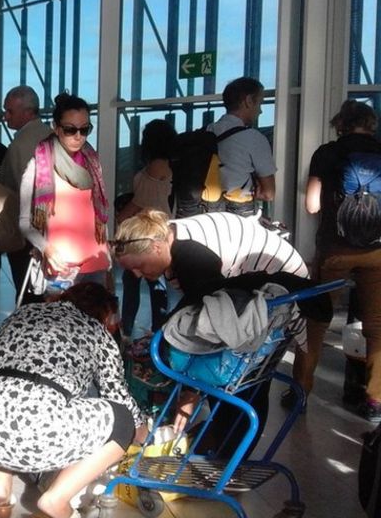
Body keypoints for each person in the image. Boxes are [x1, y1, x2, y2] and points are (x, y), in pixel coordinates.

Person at [0, 283, 145, 518]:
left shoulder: (24, 312)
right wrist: (139, 429)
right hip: (32, 425)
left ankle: (0, 493)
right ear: (104, 313)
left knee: (5, 393)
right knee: (121, 421)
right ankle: (57, 500)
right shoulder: (98, 333)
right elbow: (116, 395)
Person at [113, 209, 308, 457]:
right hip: (271, 292)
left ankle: (230, 459)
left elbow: (210, 329)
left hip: (279, 293)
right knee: (244, 381)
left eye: (139, 266)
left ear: (156, 247)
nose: (137, 275)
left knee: (240, 382)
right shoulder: (167, 239)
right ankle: (228, 455)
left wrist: (192, 389)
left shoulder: (192, 256)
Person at [298, 100, 381, 421]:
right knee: (376, 327)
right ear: (370, 123)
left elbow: (312, 205)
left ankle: (302, 390)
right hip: (377, 251)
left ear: (340, 123)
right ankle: (374, 400)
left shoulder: (327, 153)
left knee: (316, 323)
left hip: (335, 250)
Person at [19, 92, 111, 292]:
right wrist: (46, 249)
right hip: (60, 266)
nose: (78, 136)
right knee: (59, 322)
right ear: (56, 127)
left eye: (85, 129)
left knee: (95, 323)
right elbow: (24, 222)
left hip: (96, 261)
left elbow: (99, 214)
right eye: (70, 130)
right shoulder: (38, 166)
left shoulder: (92, 162)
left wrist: (108, 258)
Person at [116, 119, 175, 340]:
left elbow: (141, 201)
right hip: (163, 231)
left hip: (145, 234)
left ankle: (127, 333)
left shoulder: (154, 168)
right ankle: (159, 336)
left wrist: (121, 219)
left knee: (136, 286)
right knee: (158, 290)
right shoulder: (173, 166)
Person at [1, 86, 54, 302]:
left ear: (28, 112)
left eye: (10, 111)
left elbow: (10, 188)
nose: (5, 117)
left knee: (27, 291)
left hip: (29, 233)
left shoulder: (20, 145)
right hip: (55, 229)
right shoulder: (52, 138)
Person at [207, 77, 276, 216]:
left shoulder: (206, 132)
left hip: (206, 211)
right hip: (240, 212)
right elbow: (269, 193)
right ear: (249, 101)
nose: (261, 111)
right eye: (260, 103)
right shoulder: (254, 138)